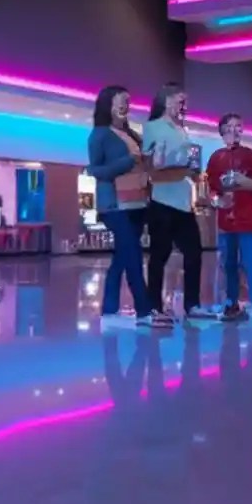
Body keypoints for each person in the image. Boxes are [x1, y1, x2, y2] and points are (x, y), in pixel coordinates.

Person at [86, 85, 170, 328]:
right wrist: (127, 161)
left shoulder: (133, 135)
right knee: (133, 256)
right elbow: (96, 170)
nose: (124, 106)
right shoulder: (99, 135)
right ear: (107, 105)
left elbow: (144, 164)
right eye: (119, 102)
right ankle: (144, 312)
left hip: (137, 203)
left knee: (122, 257)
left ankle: (109, 311)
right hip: (114, 205)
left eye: (127, 102)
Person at [142, 82, 209, 321]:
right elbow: (152, 165)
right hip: (162, 201)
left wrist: (193, 170)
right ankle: (154, 305)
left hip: (183, 202)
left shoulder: (182, 129)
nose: (183, 106)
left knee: (194, 252)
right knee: (159, 255)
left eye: (185, 102)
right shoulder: (152, 127)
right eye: (180, 101)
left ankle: (192, 304)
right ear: (167, 100)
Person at [206, 113, 252, 321]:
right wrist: (217, 201)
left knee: (251, 264)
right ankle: (230, 303)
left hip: (248, 220)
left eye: (238, 126)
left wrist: (243, 181)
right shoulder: (215, 158)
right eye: (229, 126)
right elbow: (211, 189)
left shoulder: (251, 155)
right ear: (222, 131)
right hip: (225, 221)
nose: (233, 130)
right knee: (228, 264)